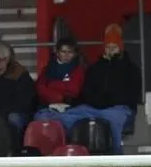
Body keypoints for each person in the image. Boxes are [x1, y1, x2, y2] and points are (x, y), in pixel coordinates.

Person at [35, 24, 141, 154]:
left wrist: (108, 101)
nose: (110, 50)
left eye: (114, 47)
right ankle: (71, 152)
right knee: (67, 117)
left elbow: (132, 95)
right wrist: (97, 102)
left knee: (113, 122)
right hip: (94, 107)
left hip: (120, 108)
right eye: (108, 47)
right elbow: (87, 91)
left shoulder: (131, 69)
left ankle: (116, 160)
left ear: (120, 48)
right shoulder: (95, 68)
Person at [36, 38, 85, 113]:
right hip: (47, 106)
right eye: (63, 51)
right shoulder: (47, 69)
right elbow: (40, 88)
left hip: (70, 107)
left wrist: (51, 86)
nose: (66, 55)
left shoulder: (78, 70)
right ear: (57, 52)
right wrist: (57, 96)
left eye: (70, 52)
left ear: (75, 54)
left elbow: (74, 90)